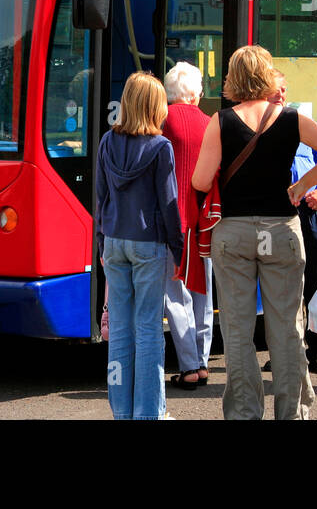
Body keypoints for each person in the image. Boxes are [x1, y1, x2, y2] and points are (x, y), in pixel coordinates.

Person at [190, 45, 317, 419]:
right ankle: (293, 412)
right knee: (287, 329)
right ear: (267, 75)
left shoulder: (220, 121)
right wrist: (303, 186)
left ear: (234, 78)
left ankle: (244, 413)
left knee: (238, 332)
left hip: (234, 232)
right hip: (282, 229)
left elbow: (201, 181)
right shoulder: (292, 118)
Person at [96, 71, 182, 420]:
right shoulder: (161, 148)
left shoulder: (106, 142)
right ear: (154, 106)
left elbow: (100, 200)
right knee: (148, 330)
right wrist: (178, 250)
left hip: (114, 242)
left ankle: (122, 411)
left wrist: (102, 243)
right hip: (149, 245)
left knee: (119, 328)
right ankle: (148, 414)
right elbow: (169, 204)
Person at [271, 70, 317, 376]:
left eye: (283, 89)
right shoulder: (263, 128)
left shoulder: (301, 122)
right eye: (275, 90)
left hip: (312, 209)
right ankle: (286, 352)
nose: (280, 95)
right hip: (281, 210)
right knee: (284, 286)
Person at [161, 62, 212, 390]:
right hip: (204, 222)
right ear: (196, 93)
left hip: (171, 220)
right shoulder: (211, 123)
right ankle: (204, 362)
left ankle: (189, 365)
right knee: (202, 290)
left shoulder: (161, 120)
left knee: (175, 294)